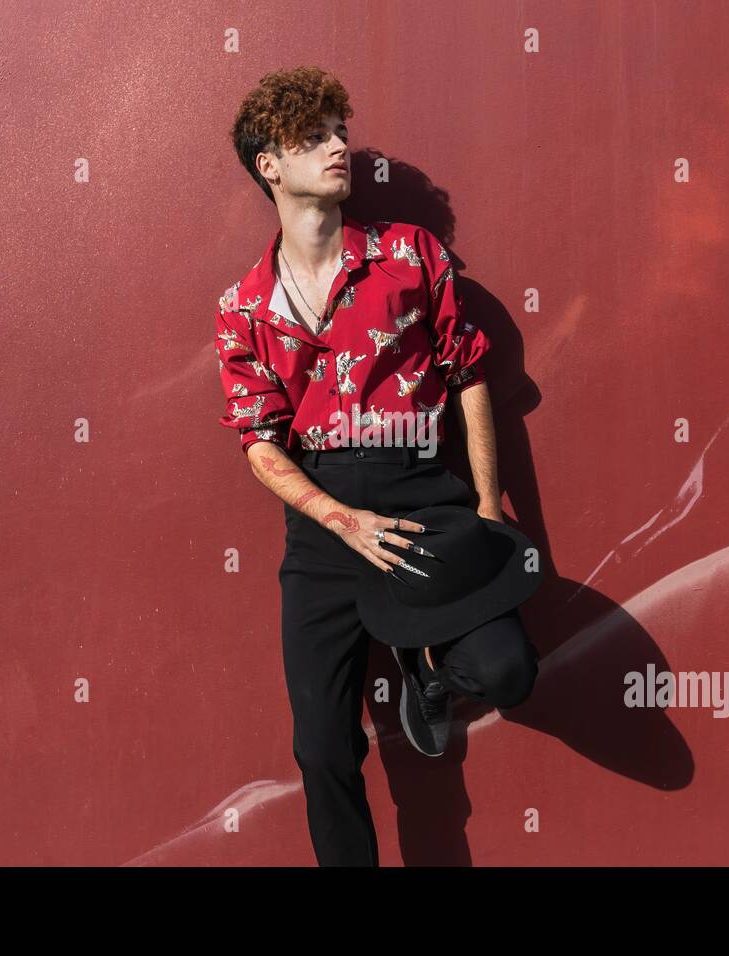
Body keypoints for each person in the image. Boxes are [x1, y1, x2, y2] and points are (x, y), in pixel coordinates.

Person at [214, 66, 540, 867]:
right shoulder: (244, 308)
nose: (337, 146)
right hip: (324, 523)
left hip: (423, 491)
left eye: (339, 130)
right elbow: (260, 441)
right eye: (313, 136)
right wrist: (337, 519)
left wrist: (489, 506)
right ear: (269, 166)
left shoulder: (408, 255)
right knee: (323, 750)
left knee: (508, 672)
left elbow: (469, 376)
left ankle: (423, 652)